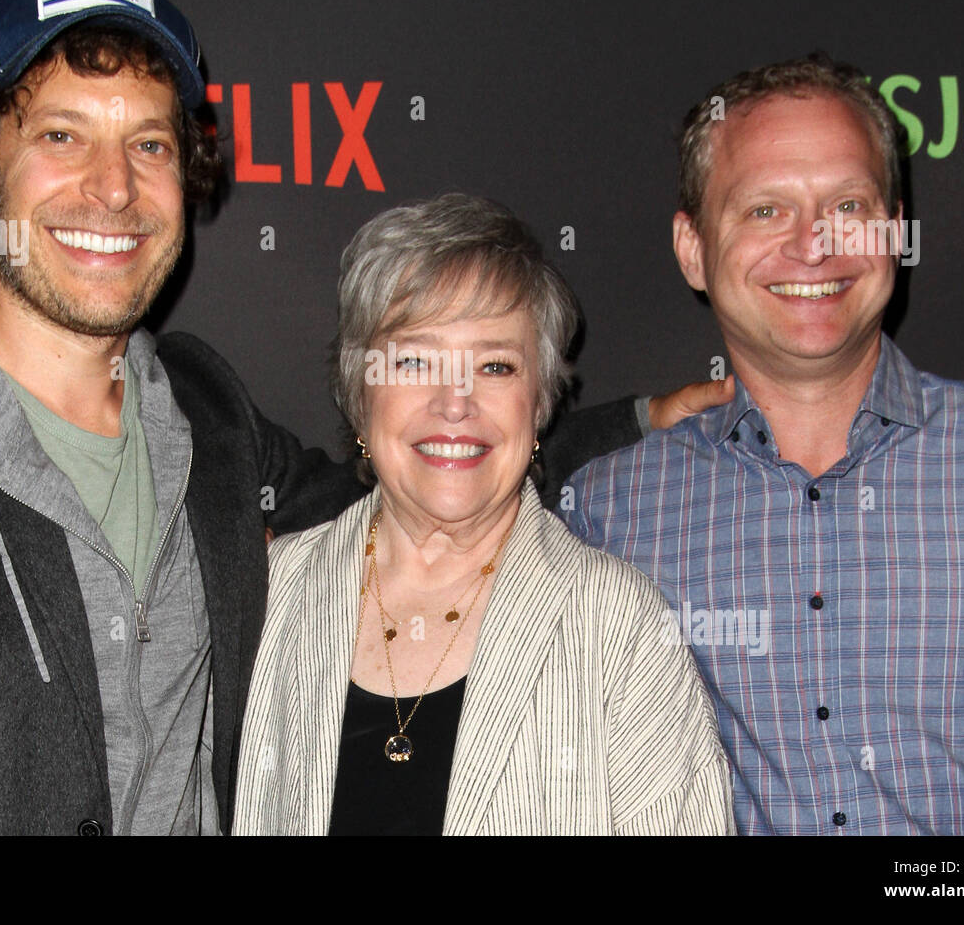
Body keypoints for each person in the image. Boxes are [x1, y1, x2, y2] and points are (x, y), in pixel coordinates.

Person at [0, 0, 725, 836]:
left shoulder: (204, 415)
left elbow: (428, 476)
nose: (111, 189)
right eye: (62, 134)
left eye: (148, 145)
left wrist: (633, 423)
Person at [562, 53, 964, 835]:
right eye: (766, 210)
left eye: (848, 205)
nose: (813, 245)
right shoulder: (608, 511)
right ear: (693, 248)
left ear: (895, 232)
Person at [233, 194, 734, 835]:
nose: (455, 403)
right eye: (414, 359)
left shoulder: (617, 625)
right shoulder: (270, 594)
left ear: (541, 402)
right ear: (360, 394)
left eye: (495, 365)